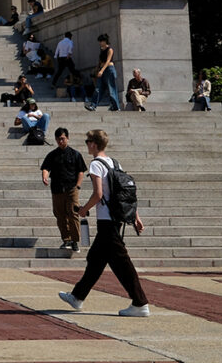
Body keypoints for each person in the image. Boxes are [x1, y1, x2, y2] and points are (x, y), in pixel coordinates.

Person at [58, 129, 150, 316]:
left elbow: (98, 194)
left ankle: (140, 303)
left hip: (107, 221)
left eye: (87, 141)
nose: (86, 145)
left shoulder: (95, 165)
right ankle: (77, 297)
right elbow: (126, 195)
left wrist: (84, 209)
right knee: (95, 260)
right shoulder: (115, 163)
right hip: (116, 219)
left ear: (93, 144)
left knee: (122, 264)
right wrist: (135, 217)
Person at [41, 128, 87, 252]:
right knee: (60, 215)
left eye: (62, 138)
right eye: (58, 139)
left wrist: (78, 185)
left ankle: (75, 241)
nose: (60, 141)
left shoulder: (75, 154)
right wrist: (45, 176)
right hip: (57, 189)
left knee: (73, 213)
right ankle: (66, 239)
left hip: (71, 188)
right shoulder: (52, 155)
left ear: (67, 138)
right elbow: (45, 168)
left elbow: (81, 171)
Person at [85, 34, 119, 111]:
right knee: (98, 88)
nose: (100, 43)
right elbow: (100, 61)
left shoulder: (110, 49)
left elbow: (108, 61)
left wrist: (102, 70)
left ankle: (115, 106)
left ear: (105, 41)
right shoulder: (102, 50)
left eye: (101, 41)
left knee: (111, 89)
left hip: (109, 69)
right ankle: (93, 105)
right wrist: (97, 69)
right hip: (102, 69)